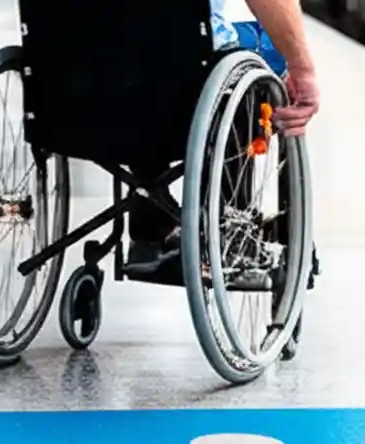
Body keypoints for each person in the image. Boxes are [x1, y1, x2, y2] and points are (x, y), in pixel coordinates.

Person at [126, 0, 320, 273]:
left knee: (133, 58)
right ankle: (226, 228)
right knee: (262, 55)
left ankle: (150, 208)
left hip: (80, 103)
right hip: (188, 96)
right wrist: (303, 70)